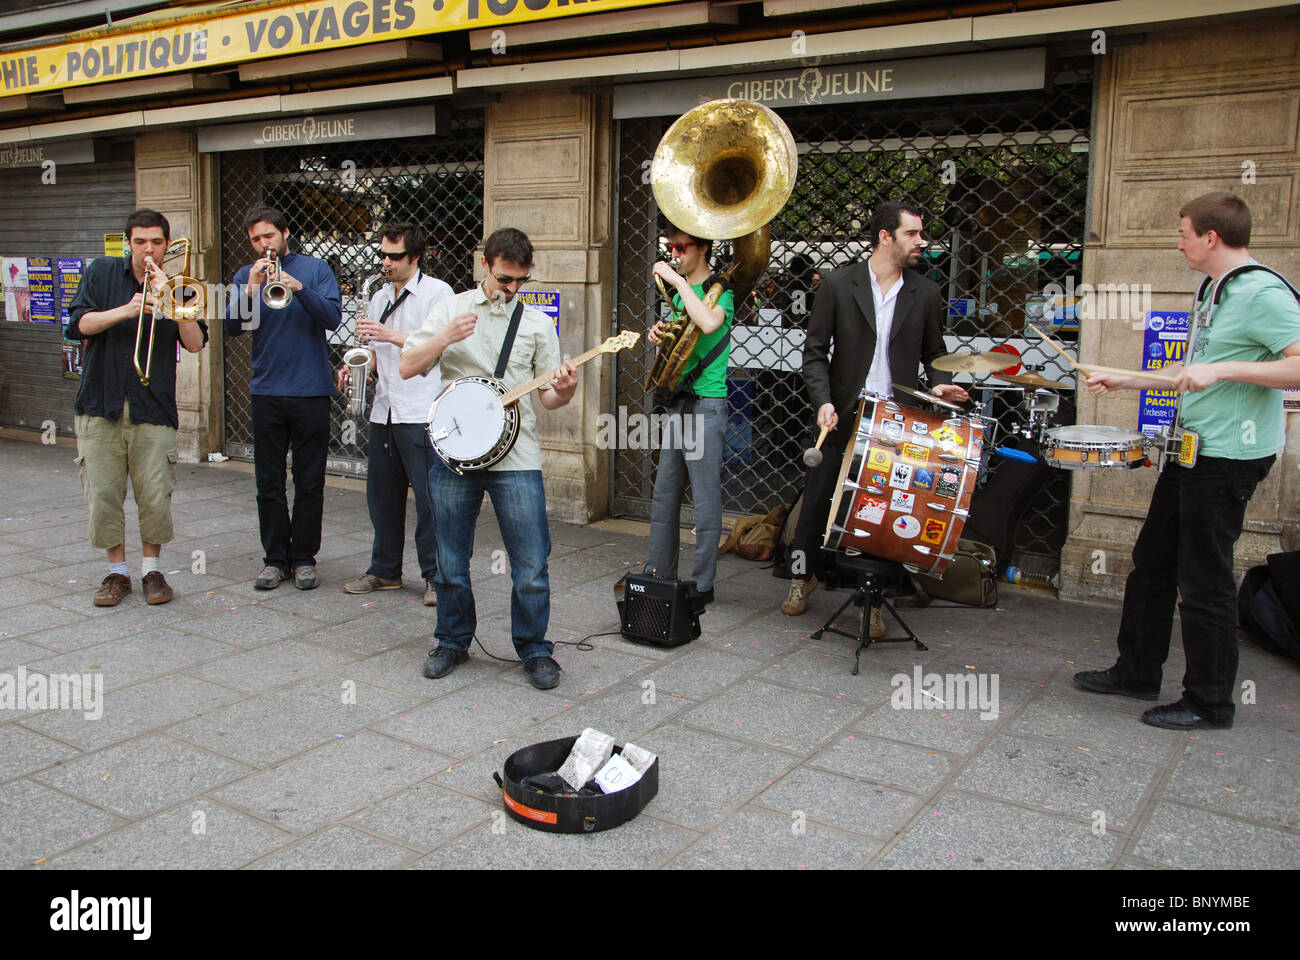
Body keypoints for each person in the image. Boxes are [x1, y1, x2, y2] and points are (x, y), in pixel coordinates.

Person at [1075, 192, 1300, 729]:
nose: (1177, 243)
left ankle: (1209, 702)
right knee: (1152, 565)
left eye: (1182, 234)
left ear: (1210, 237)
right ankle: (1135, 672)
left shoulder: (1263, 293)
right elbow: (1195, 367)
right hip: (1192, 448)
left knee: (1205, 582)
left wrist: (1225, 372)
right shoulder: (1212, 289)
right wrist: (1126, 377)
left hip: (1228, 457)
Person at [399, 228, 577, 689]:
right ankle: (453, 641)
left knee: (532, 563)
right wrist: (444, 338)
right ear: (484, 264)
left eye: (521, 281)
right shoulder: (451, 308)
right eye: (504, 278)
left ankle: (535, 649)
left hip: (516, 456)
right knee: (450, 560)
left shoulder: (537, 323)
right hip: (454, 454)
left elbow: (551, 402)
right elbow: (406, 366)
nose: (511, 288)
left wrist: (566, 389)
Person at [781, 201, 969, 636]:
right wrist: (822, 401)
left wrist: (939, 384)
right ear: (886, 236)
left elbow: (935, 353)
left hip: (897, 421)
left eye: (921, 234)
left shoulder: (925, 292)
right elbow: (814, 352)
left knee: (885, 513)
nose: (921, 241)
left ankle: (873, 599)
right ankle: (799, 577)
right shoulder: (837, 284)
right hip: (842, 413)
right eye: (912, 234)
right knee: (815, 503)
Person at [66, 209, 208, 606]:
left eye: (157, 242)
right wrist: (128, 310)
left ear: (167, 244)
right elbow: (78, 326)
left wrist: (172, 298)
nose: (149, 250)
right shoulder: (100, 272)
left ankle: (151, 572)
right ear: (129, 242)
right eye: (141, 241)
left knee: (155, 494)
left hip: (153, 407)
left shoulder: (181, 285)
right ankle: (117, 573)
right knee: (104, 495)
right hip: (99, 403)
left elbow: (196, 343)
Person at [223, 206, 342, 591]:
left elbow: (331, 318)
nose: (263, 244)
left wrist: (298, 288)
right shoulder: (246, 276)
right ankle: (275, 559)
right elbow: (231, 327)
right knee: (268, 482)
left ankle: (304, 557)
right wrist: (252, 288)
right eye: (256, 239)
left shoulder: (315, 268)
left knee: (310, 482)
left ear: (285, 233)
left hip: (311, 391)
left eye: (269, 236)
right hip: (267, 392)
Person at [338, 222, 453, 607]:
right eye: (383, 255)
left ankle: (435, 576)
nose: (386, 262)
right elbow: (375, 351)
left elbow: (443, 346)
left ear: (415, 257)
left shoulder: (438, 293)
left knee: (428, 500)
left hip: (421, 410)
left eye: (395, 256)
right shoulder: (378, 296)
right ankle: (384, 569)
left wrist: (390, 335)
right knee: (382, 497)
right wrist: (359, 363)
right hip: (384, 409)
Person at [645, 224, 735, 607]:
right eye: (671, 248)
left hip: (706, 403)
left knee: (704, 499)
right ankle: (660, 572)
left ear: (702, 249)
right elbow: (683, 338)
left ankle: (702, 585)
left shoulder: (721, 292)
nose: (675, 254)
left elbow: (709, 322)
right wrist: (659, 331)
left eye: (681, 248)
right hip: (679, 402)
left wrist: (675, 281)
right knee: (664, 495)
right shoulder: (684, 295)